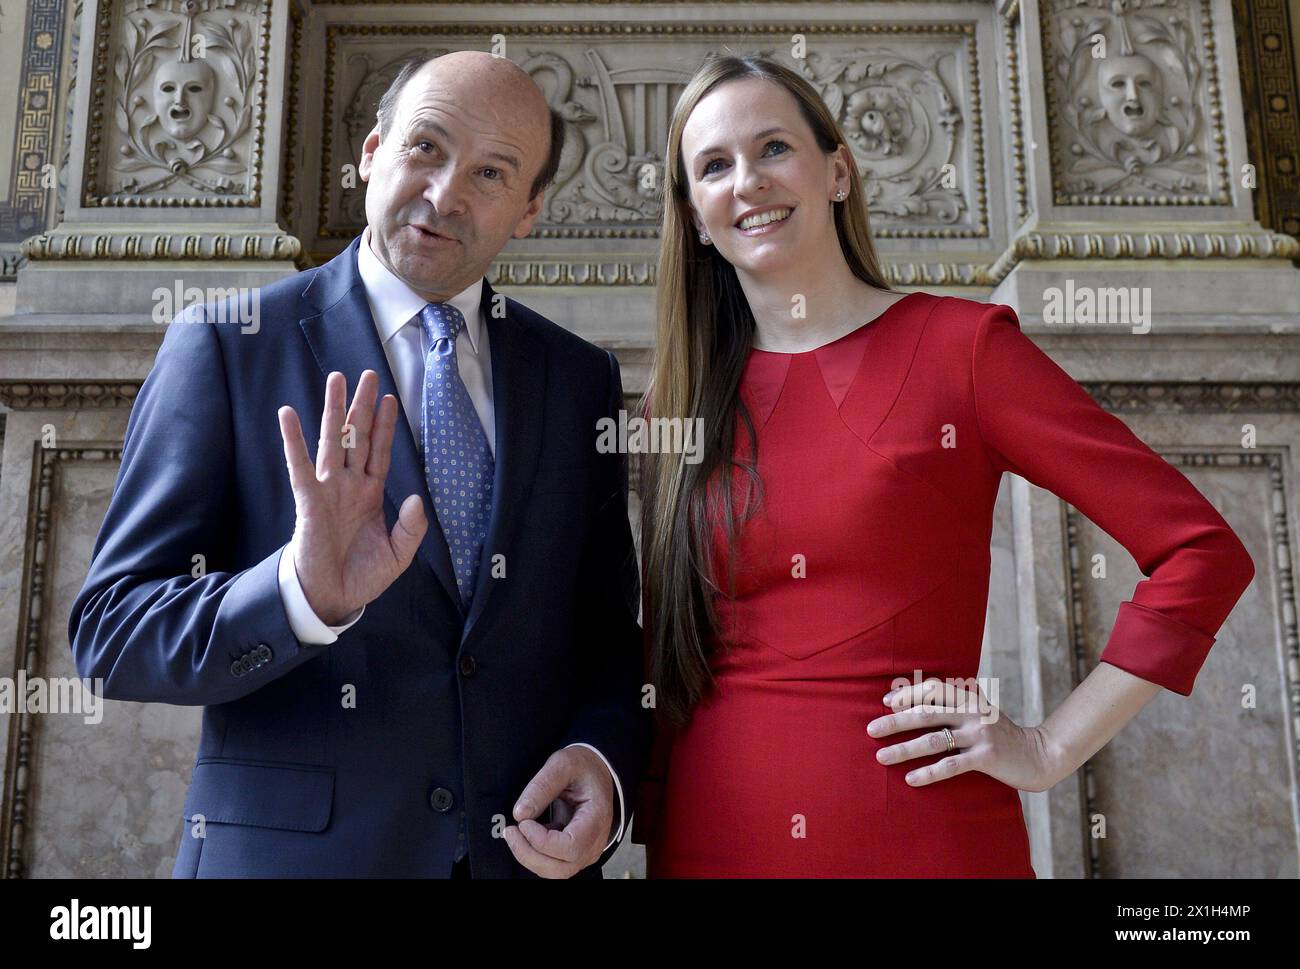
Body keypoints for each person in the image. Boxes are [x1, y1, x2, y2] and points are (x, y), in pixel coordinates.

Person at [631, 53, 1256, 877]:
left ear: (838, 172)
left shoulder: (964, 349)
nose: (747, 181)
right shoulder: (674, 408)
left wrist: (1046, 748)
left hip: (922, 837)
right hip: (711, 837)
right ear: (695, 214)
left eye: (774, 148)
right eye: (714, 166)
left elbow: (1203, 552)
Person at [68, 50, 650, 878]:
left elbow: (604, 639)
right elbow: (112, 632)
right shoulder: (228, 344)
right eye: (426, 148)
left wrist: (604, 763)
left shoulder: (578, 378)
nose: (445, 193)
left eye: (491, 173)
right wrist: (298, 597)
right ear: (372, 152)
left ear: (530, 210)